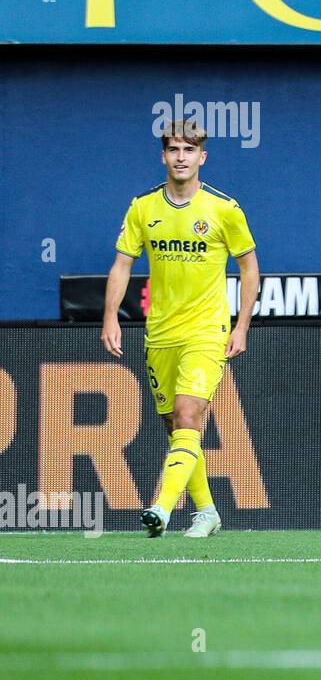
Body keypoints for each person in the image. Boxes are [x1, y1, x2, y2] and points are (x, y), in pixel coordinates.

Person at [101, 120, 259, 538]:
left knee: (190, 414)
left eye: (190, 150)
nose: (181, 157)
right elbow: (122, 263)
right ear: (163, 156)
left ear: (202, 157)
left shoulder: (224, 208)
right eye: (174, 149)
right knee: (176, 426)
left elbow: (249, 267)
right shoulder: (143, 208)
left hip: (206, 331)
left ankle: (161, 508)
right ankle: (207, 511)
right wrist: (110, 316)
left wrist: (241, 325)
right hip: (160, 334)